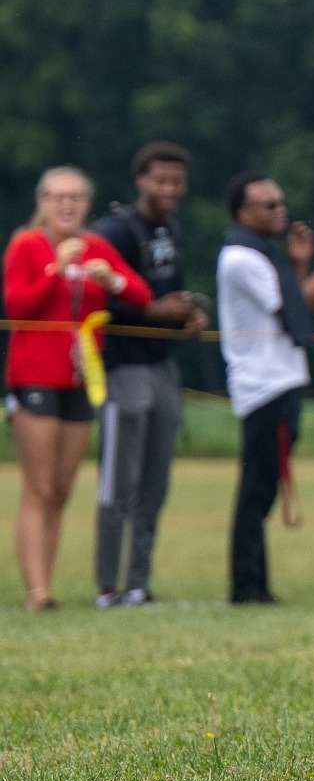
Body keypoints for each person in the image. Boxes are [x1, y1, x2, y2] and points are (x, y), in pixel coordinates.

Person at [5, 168, 152, 612]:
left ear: (87, 204)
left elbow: (141, 295)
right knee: (39, 485)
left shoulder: (97, 247)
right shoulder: (27, 245)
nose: (66, 206)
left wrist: (112, 281)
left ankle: (45, 581)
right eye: (57, 197)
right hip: (34, 377)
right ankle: (37, 592)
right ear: (42, 201)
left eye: (75, 198)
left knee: (63, 488)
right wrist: (57, 268)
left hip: (79, 377)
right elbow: (16, 304)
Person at [218, 172, 314, 604]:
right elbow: (298, 306)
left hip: (281, 378)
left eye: (281, 203)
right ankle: (247, 587)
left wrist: (300, 262)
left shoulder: (263, 254)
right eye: (269, 205)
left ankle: (254, 584)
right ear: (244, 213)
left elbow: (292, 295)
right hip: (265, 385)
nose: (281, 211)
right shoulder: (242, 258)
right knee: (257, 489)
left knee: (265, 485)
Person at [91, 141, 207, 606]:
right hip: (123, 368)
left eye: (176, 181)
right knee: (118, 482)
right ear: (141, 180)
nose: (169, 189)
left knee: (155, 483)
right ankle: (107, 585)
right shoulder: (114, 232)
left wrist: (188, 315)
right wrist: (156, 312)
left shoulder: (172, 232)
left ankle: (138, 582)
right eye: (160, 180)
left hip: (162, 366)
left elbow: (169, 295)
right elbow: (101, 298)